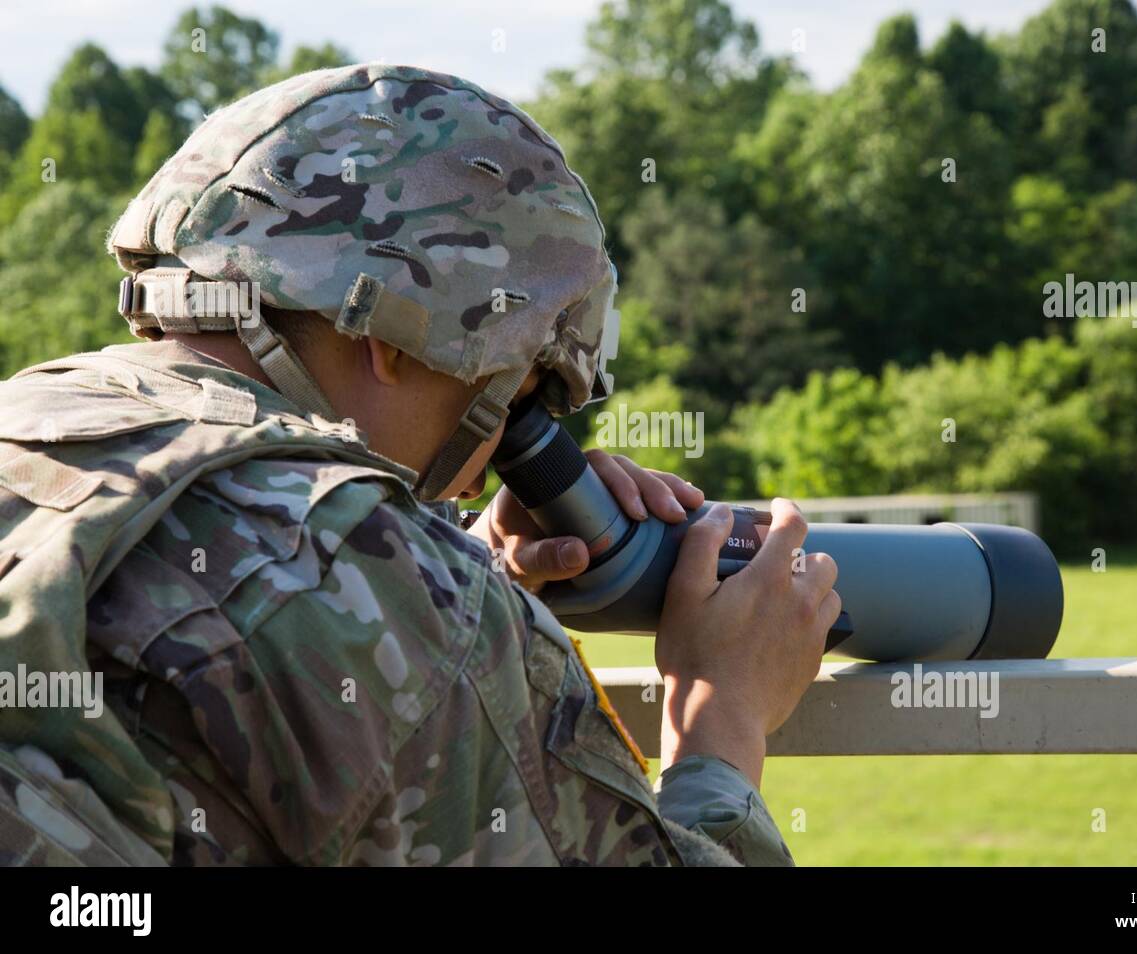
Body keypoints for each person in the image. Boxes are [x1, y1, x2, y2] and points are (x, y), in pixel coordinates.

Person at [0, 64, 839, 867]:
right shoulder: (357, 565)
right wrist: (721, 719)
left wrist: (472, 599)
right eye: (518, 405)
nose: (478, 480)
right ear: (400, 341)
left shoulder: (25, 428)